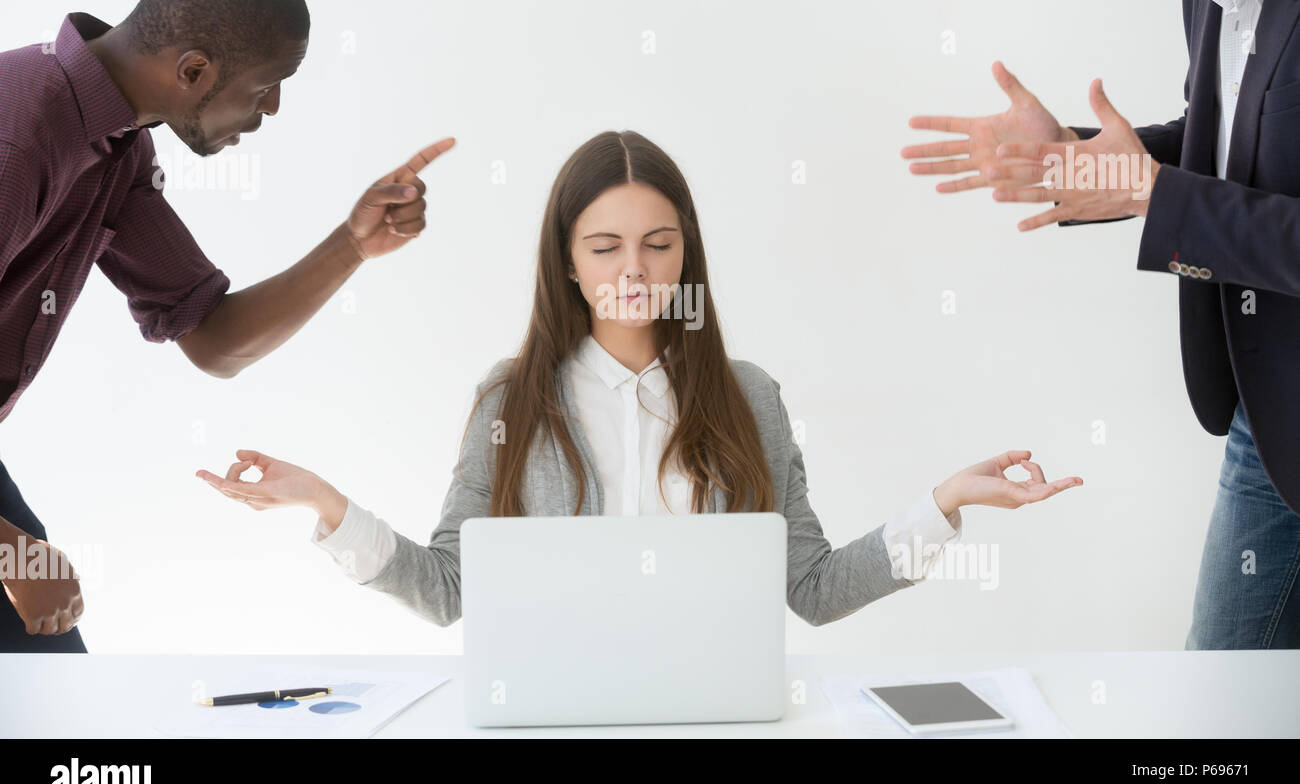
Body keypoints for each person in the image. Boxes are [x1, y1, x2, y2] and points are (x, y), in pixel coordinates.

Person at [196, 130, 1081, 629]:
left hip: (716, 719)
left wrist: (945, 505)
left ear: (686, 252)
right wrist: (325, 505)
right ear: (569, 264)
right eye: (605, 246)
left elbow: (811, 589)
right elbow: (449, 590)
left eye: (659, 245)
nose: (635, 269)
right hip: (552, 722)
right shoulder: (510, 401)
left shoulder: (749, 397)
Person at [0, 0, 454, 651]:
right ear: (193, 70)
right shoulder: (18, 135)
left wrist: (354, 243)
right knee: (39, 671)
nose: (270, 109)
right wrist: (7, 550)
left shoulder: (118, 147)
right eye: (266, 83)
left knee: (46, 673)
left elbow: (211, 337)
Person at [900, 0, 1300, 647]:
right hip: (1271, 412)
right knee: (1220, 706)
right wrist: (1078, 159)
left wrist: (1157, 196)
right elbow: (1243, 146)